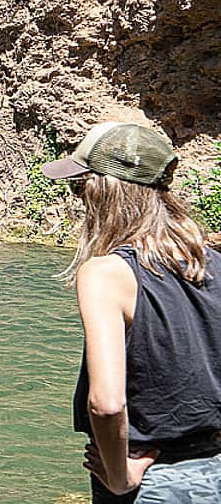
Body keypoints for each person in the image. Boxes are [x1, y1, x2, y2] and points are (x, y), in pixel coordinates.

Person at [43, 121, 221, 503]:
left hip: (154, 483)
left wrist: (122, 477)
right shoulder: (212, 261)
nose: (78, 200)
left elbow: (106, 404)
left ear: (103, 191)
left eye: (79, 187)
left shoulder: (105, 274)